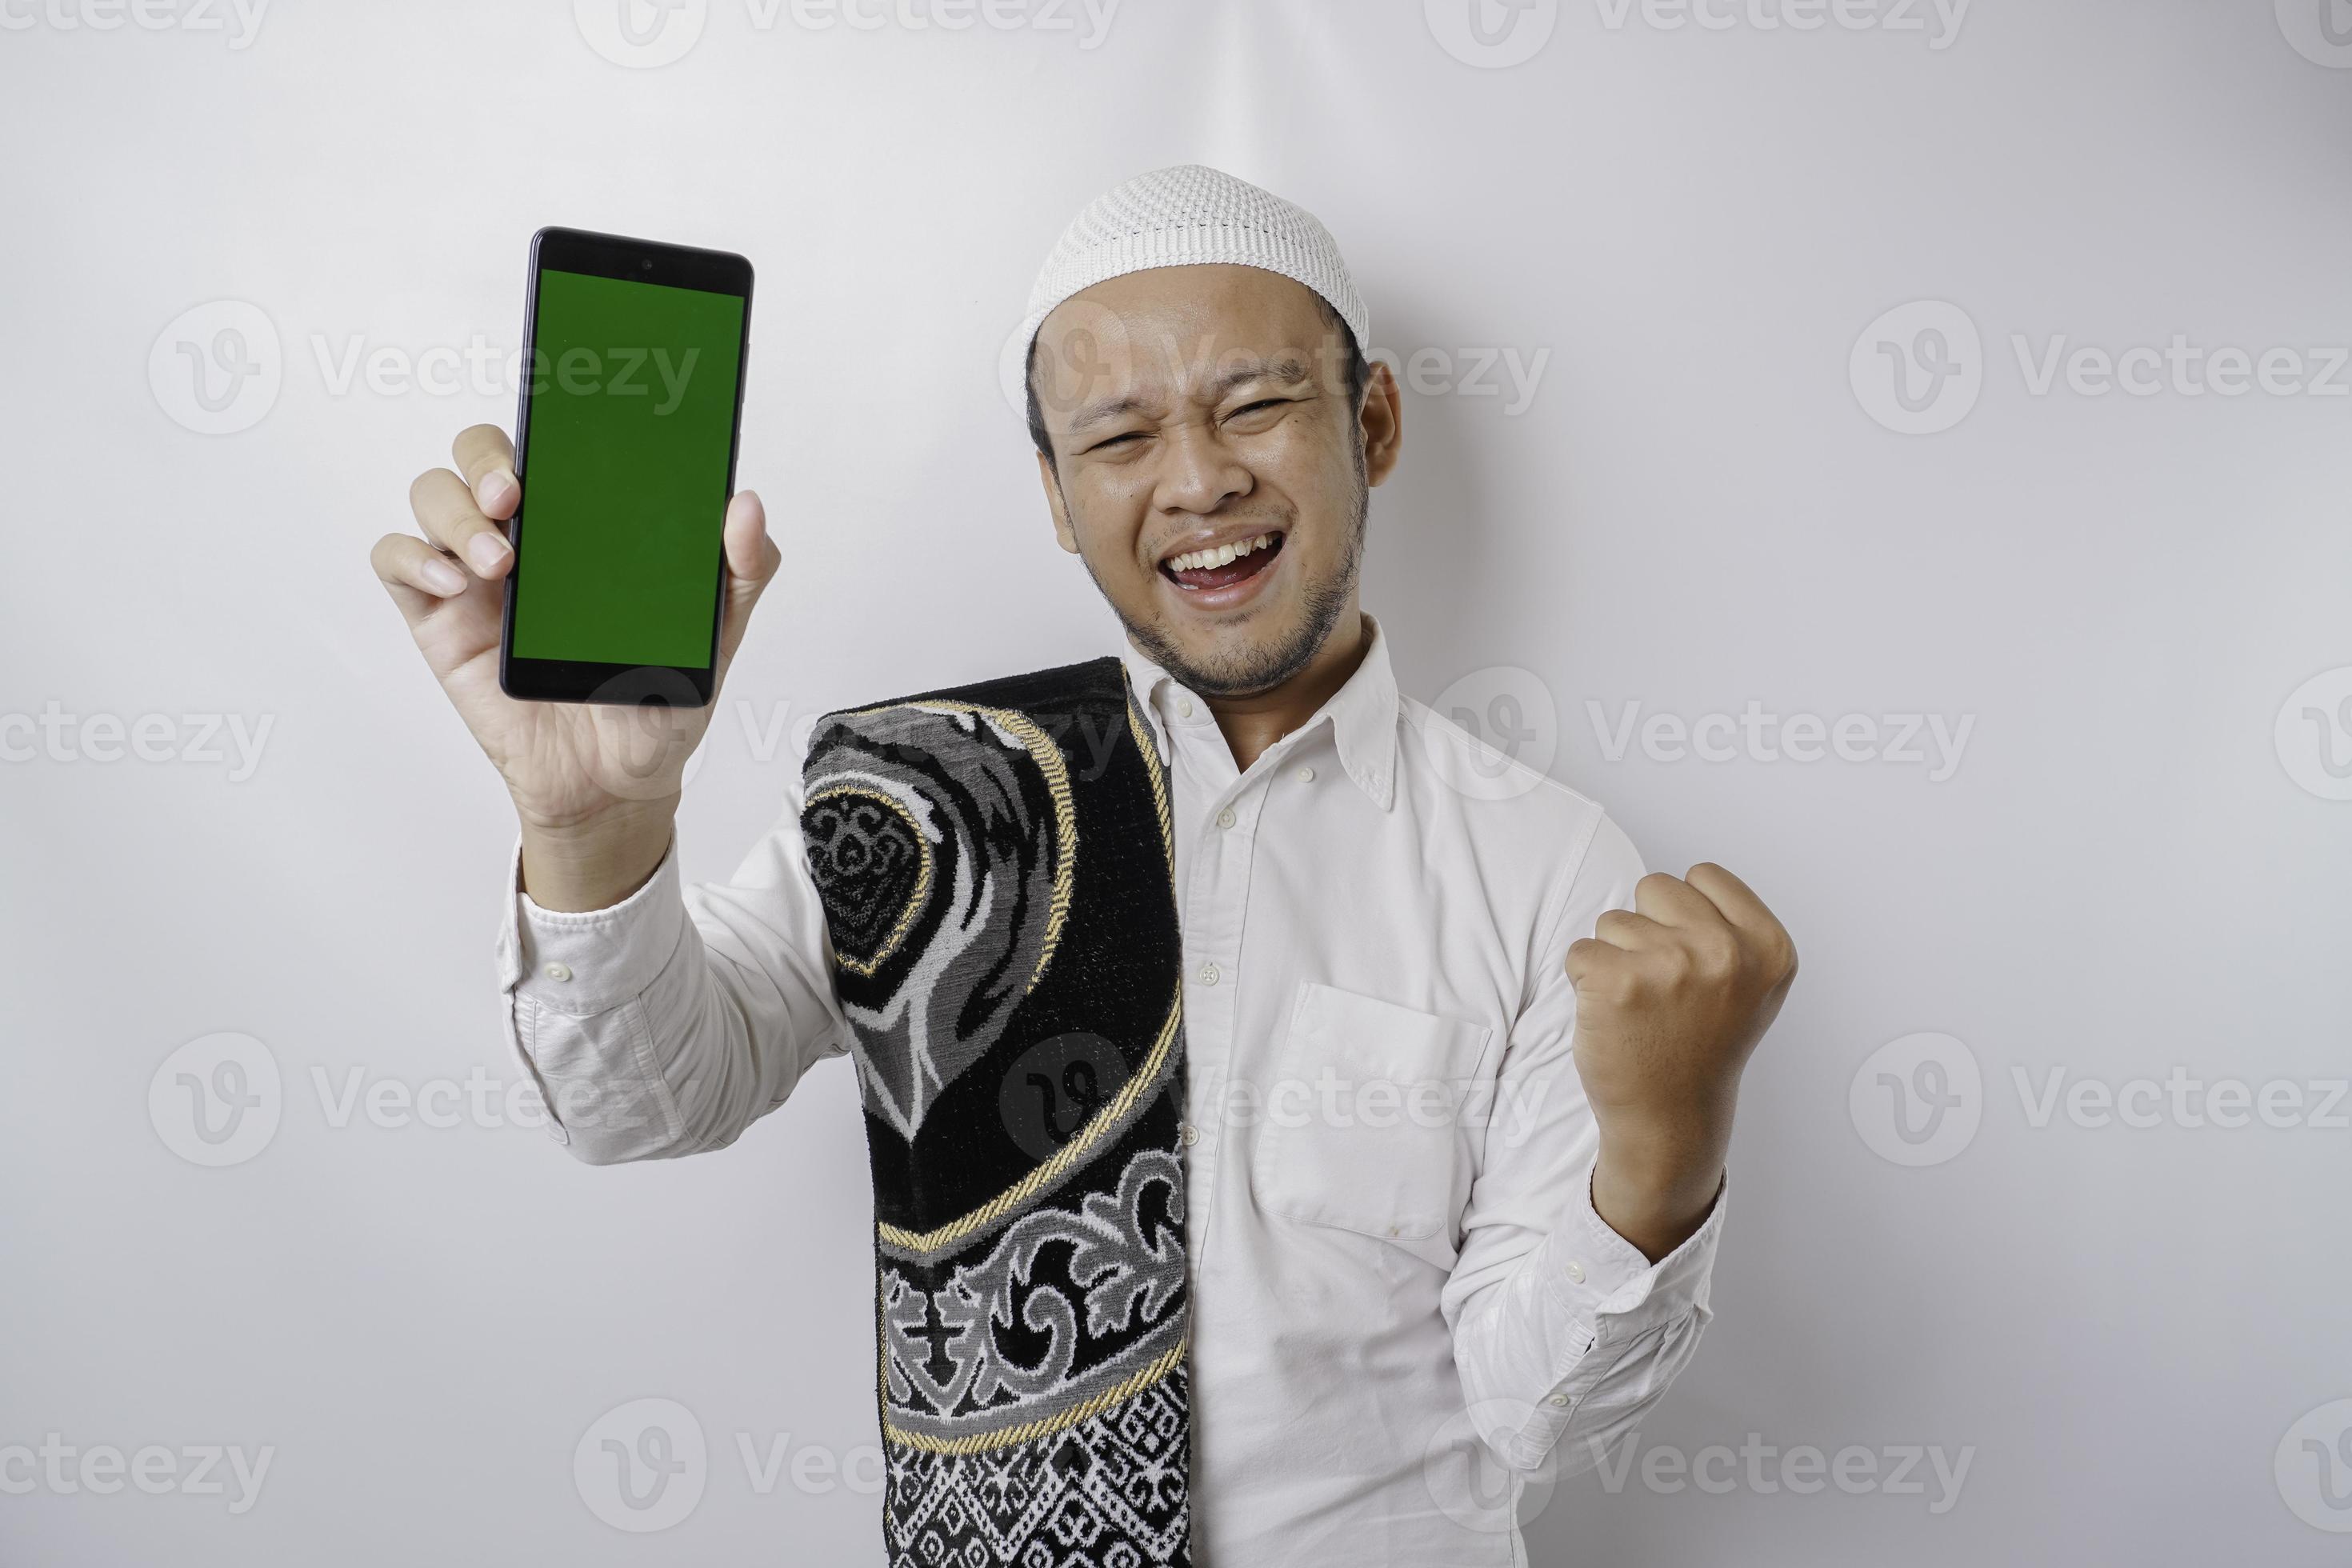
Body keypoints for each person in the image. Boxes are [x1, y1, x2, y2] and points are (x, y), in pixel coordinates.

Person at [370, 165, 1797, 1565]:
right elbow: (642, 1102)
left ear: (1371, 423)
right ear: (1055, 496)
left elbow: (1536, 1410)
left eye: (1257, 404)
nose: (1199, 480)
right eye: (1119, 440)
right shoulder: (915, 801)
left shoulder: (1546, 865)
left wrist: (1666, 1145)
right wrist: (586, 823)